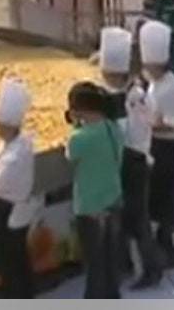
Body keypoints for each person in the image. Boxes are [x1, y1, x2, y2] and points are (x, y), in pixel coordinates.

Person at [97, 26, 163, 289]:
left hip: (132, 162)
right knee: (124, 219)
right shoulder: (124, 94)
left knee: (136, 218)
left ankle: (149, 268)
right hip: (125, 160)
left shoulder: (134, 97)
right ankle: (126, 265)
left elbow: (136, 129)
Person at [0, 78, 39, 299]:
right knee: (20, 256)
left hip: (8, 211)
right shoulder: (20, 143)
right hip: (17, 209)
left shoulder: (14, 157)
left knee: (9, 261)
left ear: (6, 126)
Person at [65, 81, 124, 299]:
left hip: (89, 206)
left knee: (94, 264)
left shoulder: (79, 138)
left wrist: (76, 126)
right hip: (113, 199)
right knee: (109, 260)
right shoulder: (112, 127)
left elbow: (70, 158)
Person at [140, 20, 174, 266]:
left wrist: (148, 122)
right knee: (164, 199)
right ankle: (168, 243)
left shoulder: (169, 86)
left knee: (171, 199)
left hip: (168, 148)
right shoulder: (156, 82)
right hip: (158, 145)